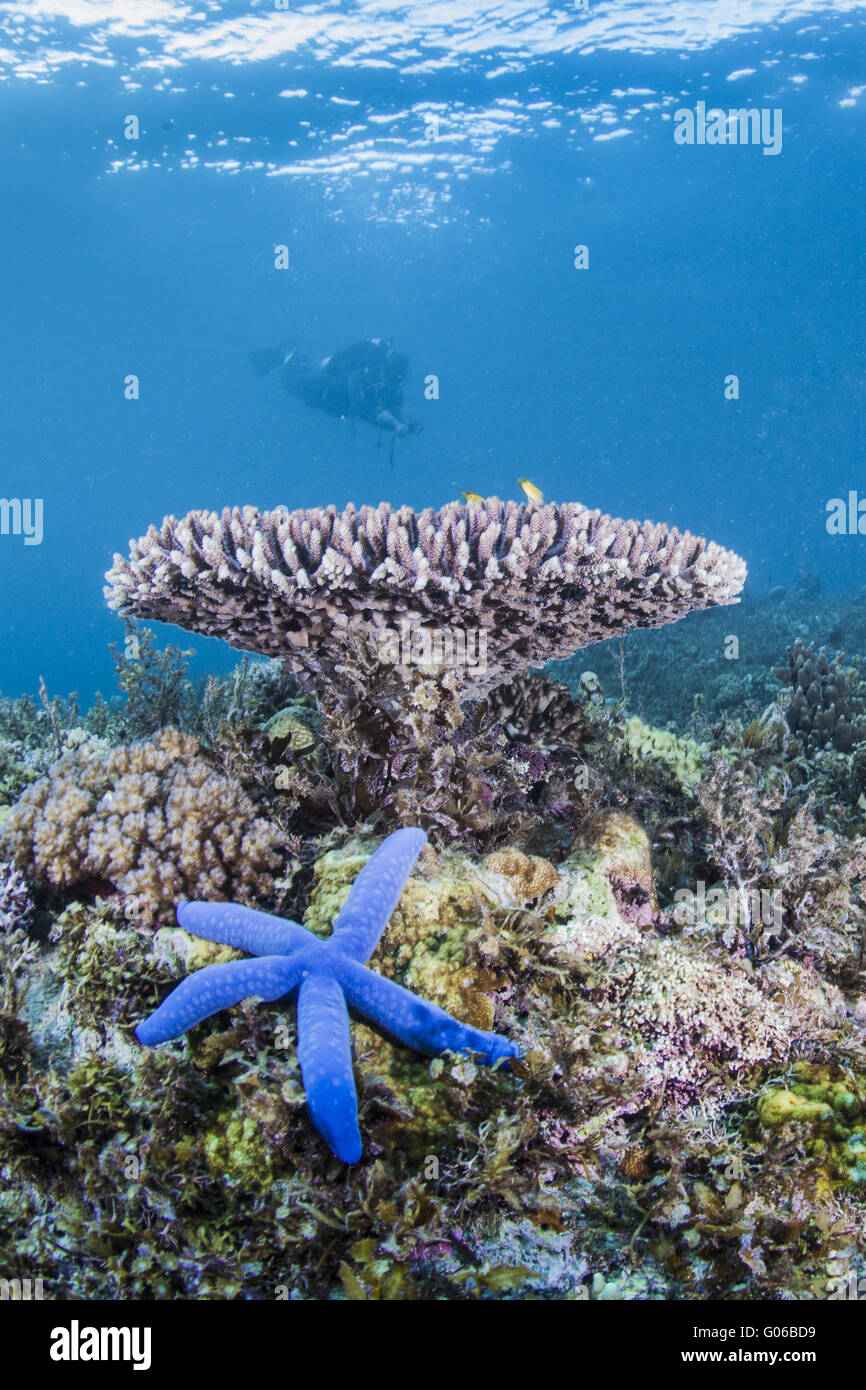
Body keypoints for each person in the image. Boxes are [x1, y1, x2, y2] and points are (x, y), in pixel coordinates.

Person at [250, 337, 422, 450]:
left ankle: (298, 361)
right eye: (391, 377)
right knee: (289, 382)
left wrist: (406, 424)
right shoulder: (363, 374)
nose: (393, 383)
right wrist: (393, 424)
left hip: (331, 402)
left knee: (297, 379)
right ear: (386, 368)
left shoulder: (387, 386)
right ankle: (289, 355)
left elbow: (388, 413)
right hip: (324, 390)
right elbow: (361, 407)